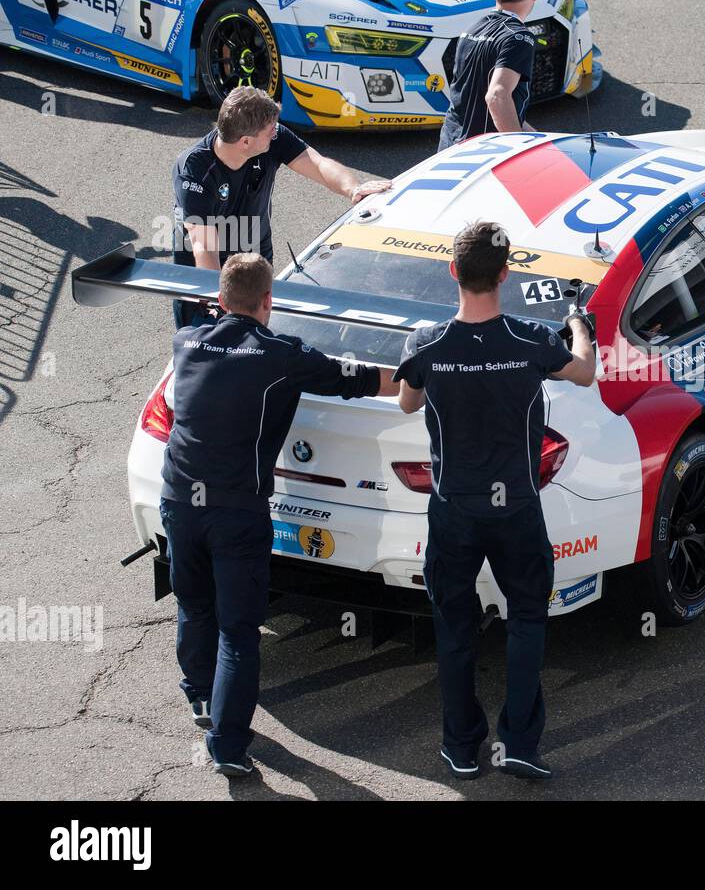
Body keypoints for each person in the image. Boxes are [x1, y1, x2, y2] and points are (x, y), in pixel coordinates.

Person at [159, 253, 399, 776]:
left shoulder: (185, 342)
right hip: (235, 512)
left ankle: (198, 695)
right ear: (270, 303)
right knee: (239, 632)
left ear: (219, 300)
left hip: (178, 501)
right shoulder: (279, 354)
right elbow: (352, 377)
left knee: (196, 606)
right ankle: (226, 747)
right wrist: (415, 381)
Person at [394, 221, 596, 781]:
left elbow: (408, 405)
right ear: (505, 275)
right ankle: (521, 744)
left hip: (454, 509)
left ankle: (461, 747)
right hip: (518, 511)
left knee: (454, 626)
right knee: (528, 617)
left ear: (453, 271)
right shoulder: (533, 339)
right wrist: (581, 324)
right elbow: (585, 372)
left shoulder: (424, 343)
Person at [171, 86, 391, 327]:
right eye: (270, 130)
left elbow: (317, 164)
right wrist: (216, 301)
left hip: (253, 259)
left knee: (257, 345)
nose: (276, 132)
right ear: (245, 141)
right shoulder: (193, 171)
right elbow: (204, 246)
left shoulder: (272, 138)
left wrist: (352, 188)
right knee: (206, 351)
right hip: (206, 273)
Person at [436, 0, 540, 152]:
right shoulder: (519, 37)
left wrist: (540, 141)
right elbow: (497, 96)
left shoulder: (471, 29)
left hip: (450, 145)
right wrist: (521, 150)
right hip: (483, 152)